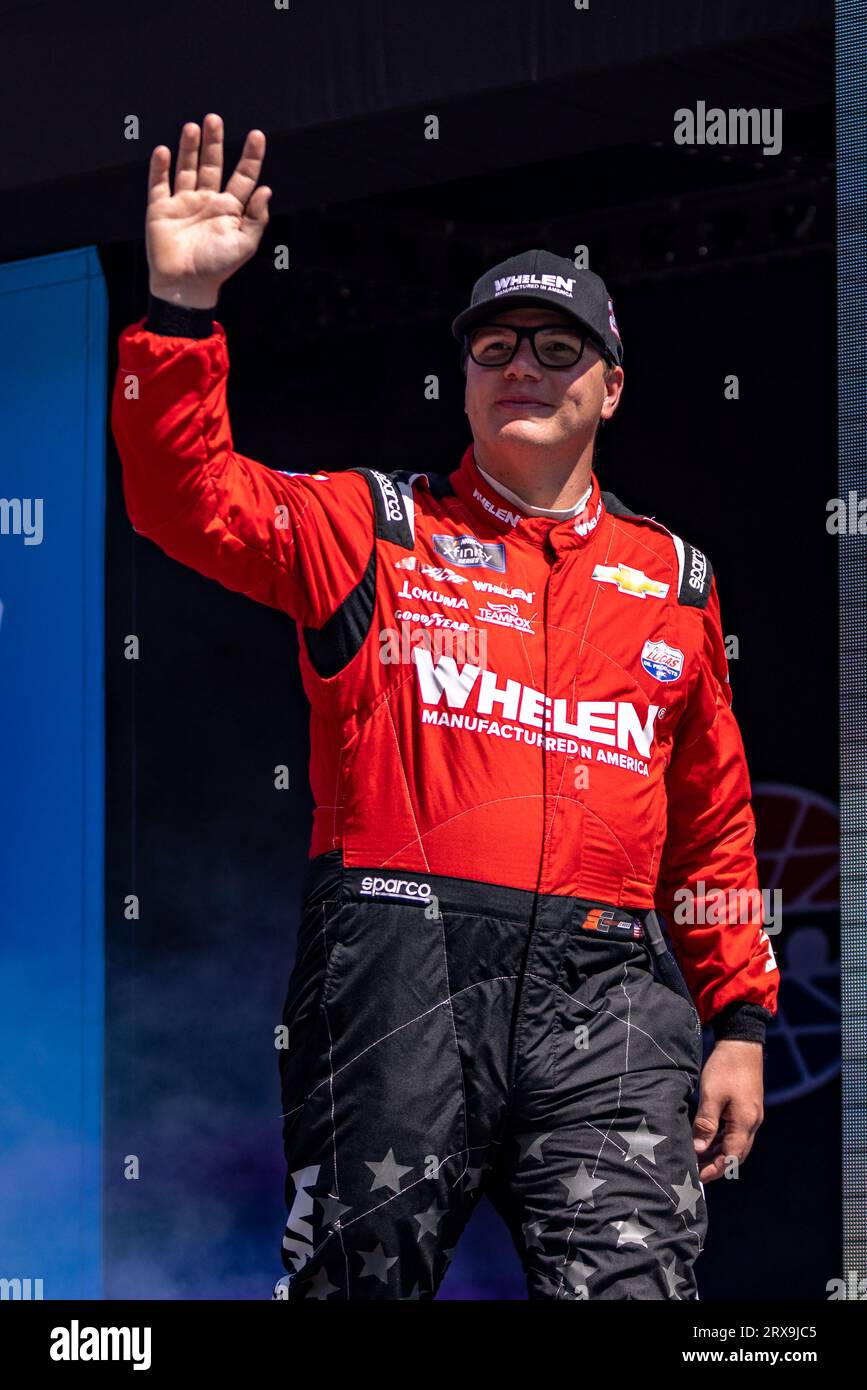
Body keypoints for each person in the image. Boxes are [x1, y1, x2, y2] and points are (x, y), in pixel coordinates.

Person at [111, 114, 780, 1301]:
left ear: (612, 386)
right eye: (494, 345)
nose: (521, 364)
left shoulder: (677, 581)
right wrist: (180, 315)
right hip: (395, 966)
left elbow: (713, 822)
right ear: (465, 374)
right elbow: (183, 497)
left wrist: (736, 1015)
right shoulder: (370, 525)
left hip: (608, 989)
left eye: (556, 345)